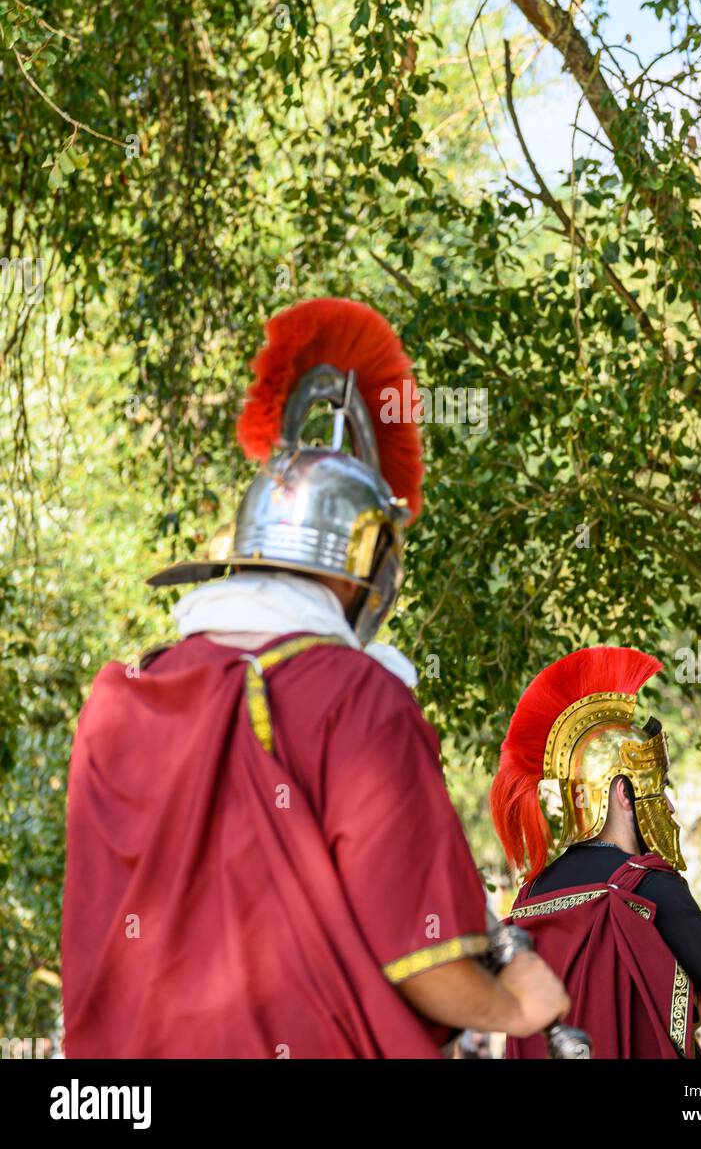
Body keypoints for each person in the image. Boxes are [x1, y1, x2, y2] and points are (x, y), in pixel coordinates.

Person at [62, 297, 568, 1059]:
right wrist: (517, 1005)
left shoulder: (123, 698)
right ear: (363, 569)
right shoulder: (354, 697)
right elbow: (419, 958)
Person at [490, 645, 701, 1059]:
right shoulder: (649, 886)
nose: (669, 805)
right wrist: (698, 1003)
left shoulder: (530, 898)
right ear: (622, 792)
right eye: (660, 787)